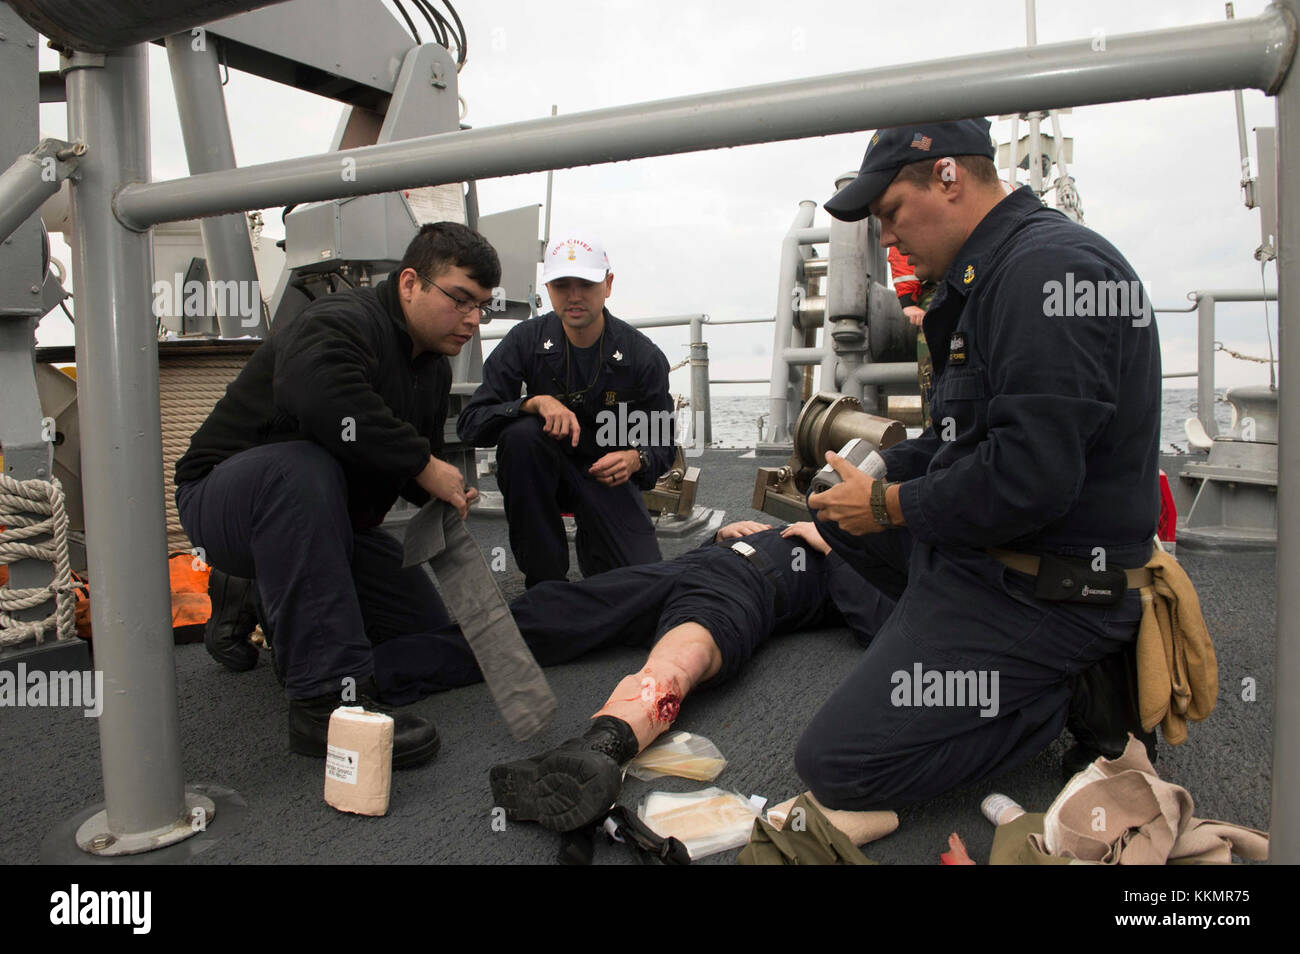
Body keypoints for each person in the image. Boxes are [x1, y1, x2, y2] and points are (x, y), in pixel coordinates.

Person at [797, 118, 1162, 810]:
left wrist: (886, 505)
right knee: (840, 521)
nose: (888, 239)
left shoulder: (1046, 273)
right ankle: (950, 646)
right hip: (1002, 553)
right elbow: (962, 439)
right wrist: (871, 477)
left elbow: (1031, 477)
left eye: (891, 214)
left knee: (836, 765)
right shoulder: (992, 274)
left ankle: (1061, 692)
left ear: (948, 177)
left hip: (1055, 589)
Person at [173, 221, 502, 768]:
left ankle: (260, 594)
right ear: (409, 284)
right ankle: (324, 703)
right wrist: (423, 464)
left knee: (418, 639)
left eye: (481, 307)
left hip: (330, 526)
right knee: (299, 469)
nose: (472, 320)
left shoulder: (432, 372)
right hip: (227, 499)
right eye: (460, 300)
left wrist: (440, 492)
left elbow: (395, 461)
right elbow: (319, 394)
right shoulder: (341, 320)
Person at [359, 518, 886, 831]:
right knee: (549, 610)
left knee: (682, 658)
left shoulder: (879, 561)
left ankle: (600, 748)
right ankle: (369, 672)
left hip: (749, 589)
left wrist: (836, 549)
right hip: (691, 565)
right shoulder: (825, 518)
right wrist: (725, 533)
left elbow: (879, 623)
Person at [457, 236, 674, 588]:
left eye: (586, 284)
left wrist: (636, 458)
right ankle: (545, 581)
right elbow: (472, 425)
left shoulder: (642, 357)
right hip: (541, 478)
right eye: (562, 285)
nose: (574, 296)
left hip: (607, 481)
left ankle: (602, 552)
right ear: (548, 288)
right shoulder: (524, 341)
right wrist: (532, 403)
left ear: (608, 284)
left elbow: (663, 448)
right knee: (521, 436)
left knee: (639, 586)